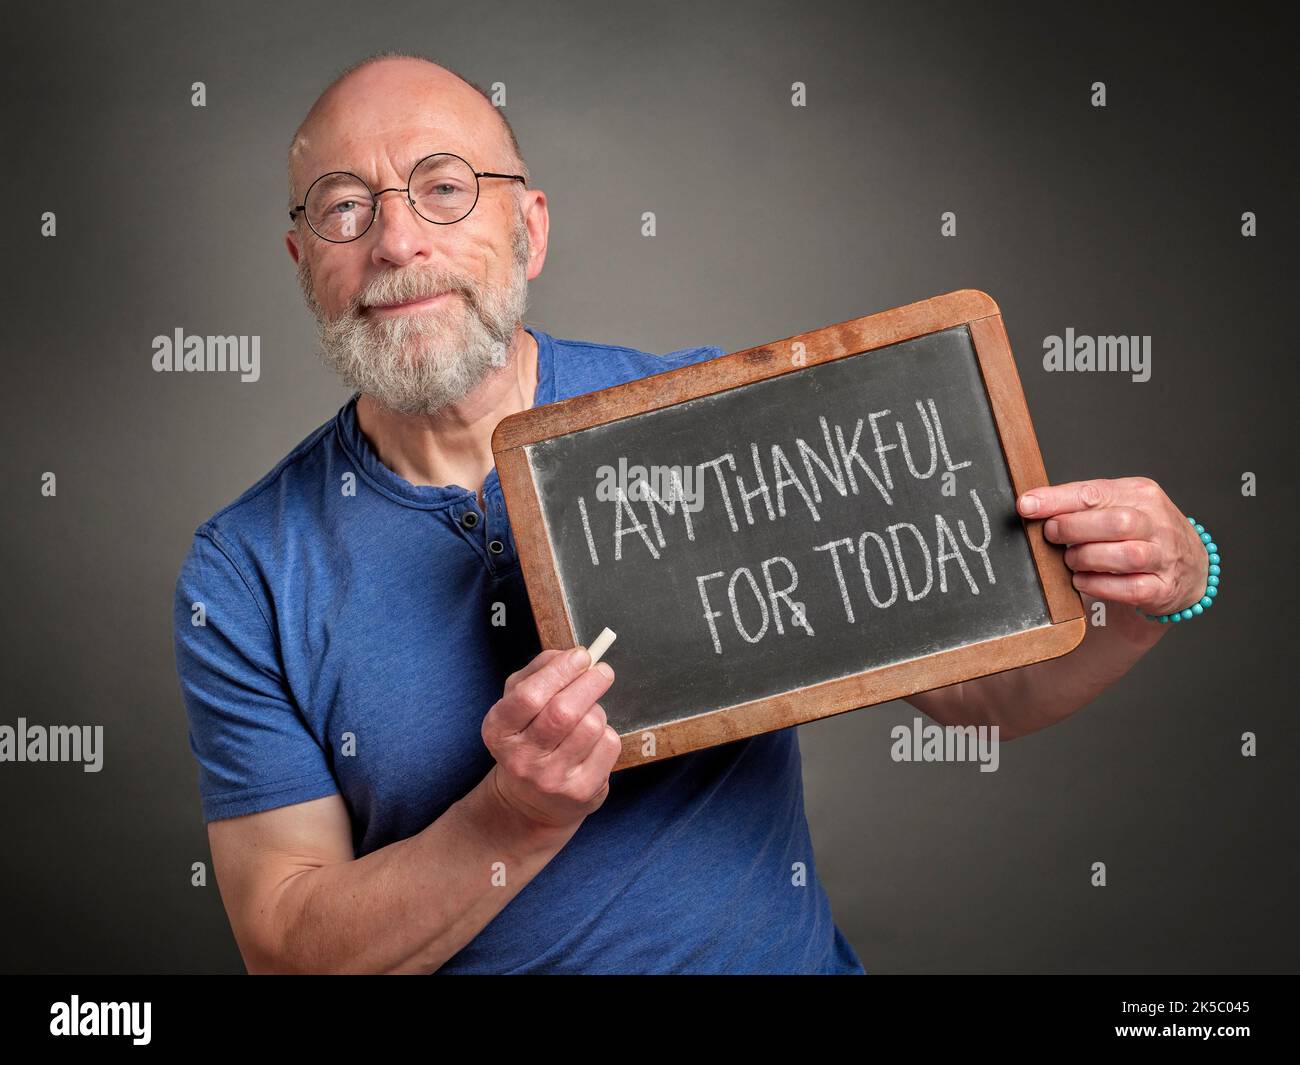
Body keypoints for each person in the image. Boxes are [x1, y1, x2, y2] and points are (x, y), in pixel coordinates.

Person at [172, 51, 1210, 975]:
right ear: (305, 260)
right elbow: (289, 946)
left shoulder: (709, 419)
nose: (397, 241)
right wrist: (514, 817)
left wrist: (1155, 591)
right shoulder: (244, 572)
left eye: (444, 188)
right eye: (344, 206)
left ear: (527, 228)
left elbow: (981, 693)